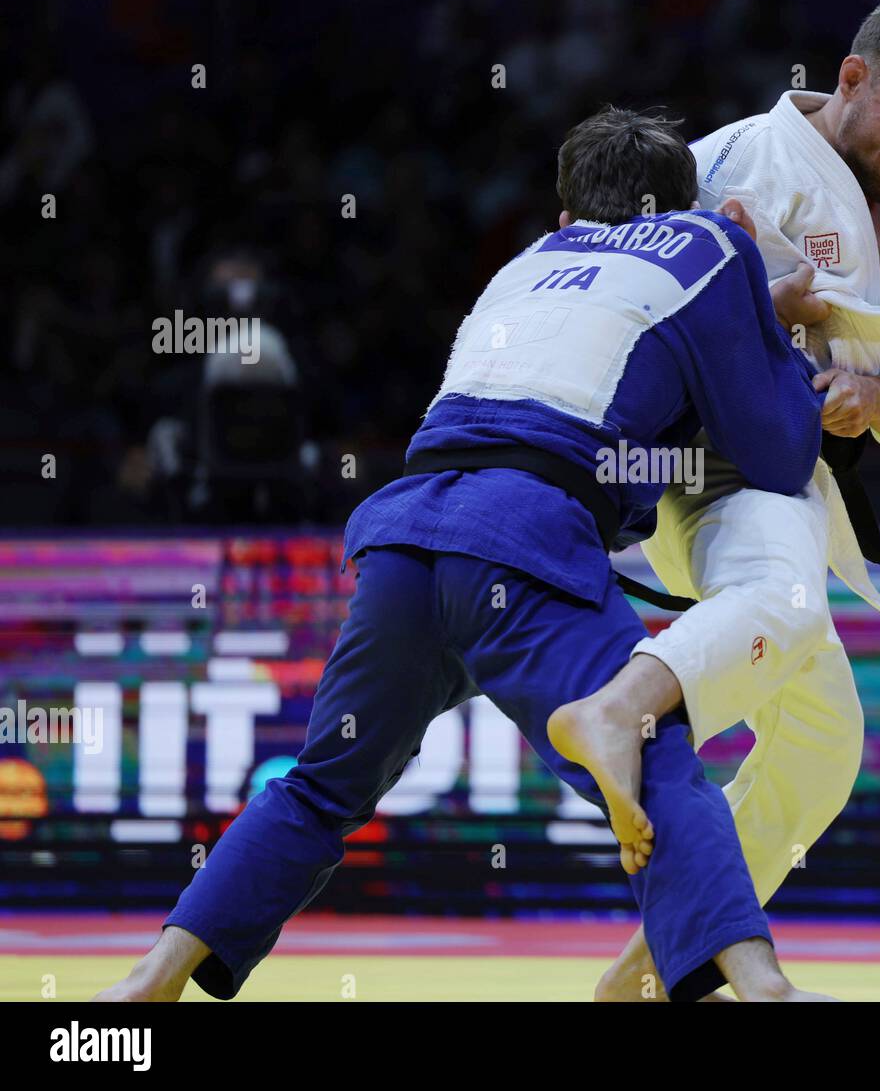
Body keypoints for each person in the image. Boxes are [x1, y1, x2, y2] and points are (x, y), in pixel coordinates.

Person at [93, 108, 830, 1004]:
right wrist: (769, 323)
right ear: (677, 205)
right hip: (524, 535)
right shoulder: (707, 244)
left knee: (321, 787)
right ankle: (762, 987)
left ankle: (148, 976)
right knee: (650, 745)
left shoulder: (523, 265)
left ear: (566, 218)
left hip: (407, 539)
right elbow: (780, 454)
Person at [580, 3, 880, 1000]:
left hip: (795, 483)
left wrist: (875, 396)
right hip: (702, 471)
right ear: (849, 77)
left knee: (820, 746)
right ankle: (622, 714)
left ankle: (657, 962)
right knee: (788, 609)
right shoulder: (729, 165)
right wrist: (768, 323)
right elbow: (621, 308)